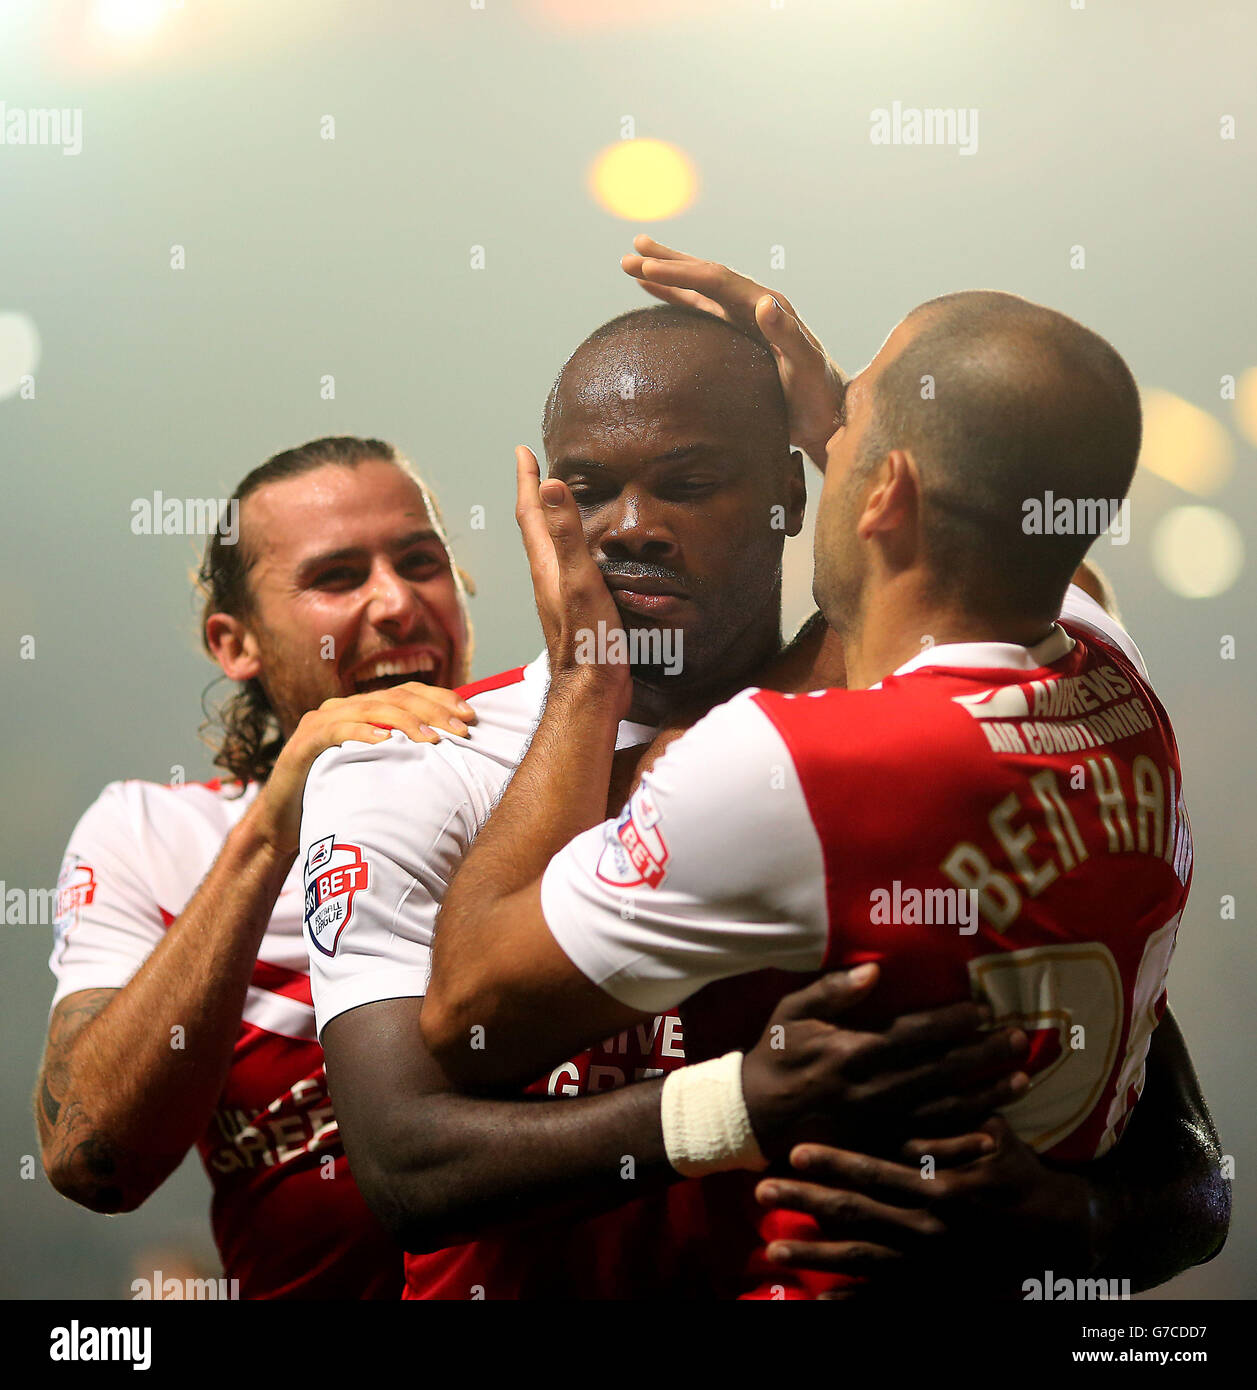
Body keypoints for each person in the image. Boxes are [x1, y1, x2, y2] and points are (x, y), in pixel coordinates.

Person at [308, 287, 1224, 1297]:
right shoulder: (408, 762)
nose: (630, 528)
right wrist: (740, 1104)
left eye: (689, 484)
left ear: (801, 493)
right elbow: (406, 1166)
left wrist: (1075, 1222)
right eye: (585, 488)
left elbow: (1186, 1174)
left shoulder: (866, 757)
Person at [36, 436, 476, 1299]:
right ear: (233, 642)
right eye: (338, 578)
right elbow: (91, 1161)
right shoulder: (151, 834)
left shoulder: (561, 773)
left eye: (421, 561)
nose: (396, 603)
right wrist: (273, 831)